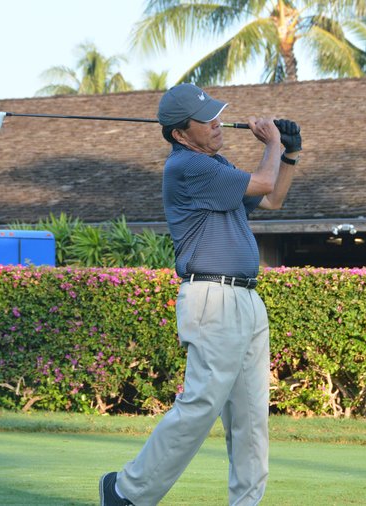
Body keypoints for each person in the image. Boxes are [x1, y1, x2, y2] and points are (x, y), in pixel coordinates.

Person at [99, 83, 301, 506]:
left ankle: (246, 502)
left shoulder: (216, 165)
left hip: (246, 299)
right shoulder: (188, 167)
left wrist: (289, 156)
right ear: (180, 134)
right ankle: (125, 492)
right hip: (212, 297)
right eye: (205, 119)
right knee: (201, 404)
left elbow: (273, 198)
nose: (216, 123)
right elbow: (263, 180)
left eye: (216, 114)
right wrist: (273, 143)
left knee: (250, 416)